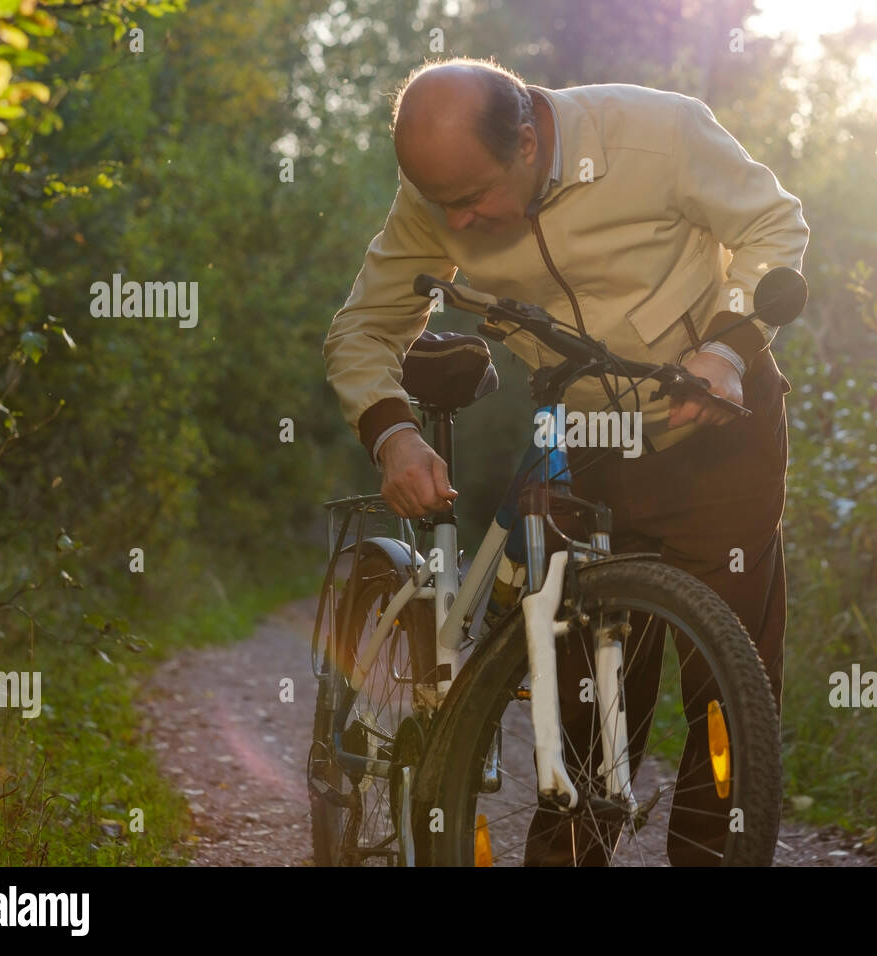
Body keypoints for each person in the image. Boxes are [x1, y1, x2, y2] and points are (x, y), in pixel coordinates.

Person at [323, 56, 808, 865]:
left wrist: (727, 349)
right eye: (443, 205)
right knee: (590, 696)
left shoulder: (658, 133)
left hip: (718, 431)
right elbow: (365, 327)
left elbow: (774, 228)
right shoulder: (441, 199)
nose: (461, 224)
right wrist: (393, 435)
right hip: (587, 443)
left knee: (729, 692)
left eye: (473, 199)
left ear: (525, 138)